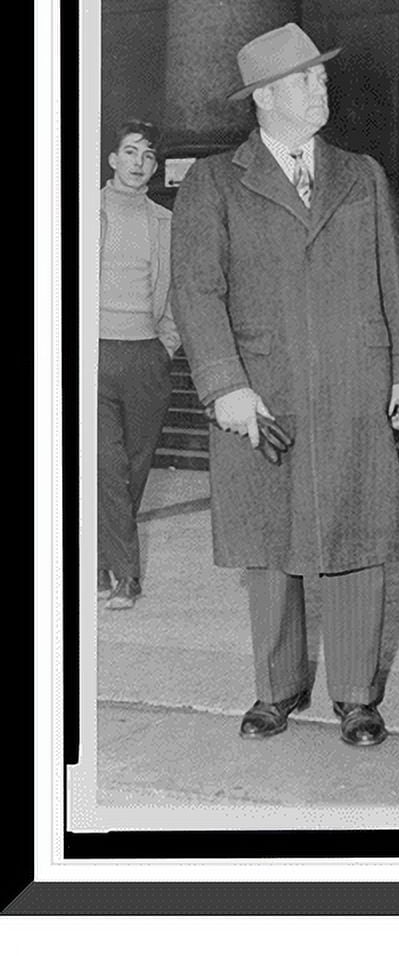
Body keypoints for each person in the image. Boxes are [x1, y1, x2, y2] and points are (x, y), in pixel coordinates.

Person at [170, 23, 399, 747]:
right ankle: (276, 688)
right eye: (305, 79)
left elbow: (392, 278)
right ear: (263, 98)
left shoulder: (362, 173)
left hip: (353, 383)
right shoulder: (215, 182)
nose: (321, 88)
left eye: (321, 76)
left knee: (357, 536)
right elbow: (196, 292)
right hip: (263, 393)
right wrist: (225, 386)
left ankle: (357, 696)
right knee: (270, 543)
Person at [98, 120, 180, 610]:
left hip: (146, 355)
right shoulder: (83, 210)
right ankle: (126, 574)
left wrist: (165, 345)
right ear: (113, 159)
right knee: (106, 465)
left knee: (135, 465)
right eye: (130, 151)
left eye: (148, 156)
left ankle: (97, 558)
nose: (138, 162)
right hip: (94, 352)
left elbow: (179, 293)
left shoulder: (165, 222)